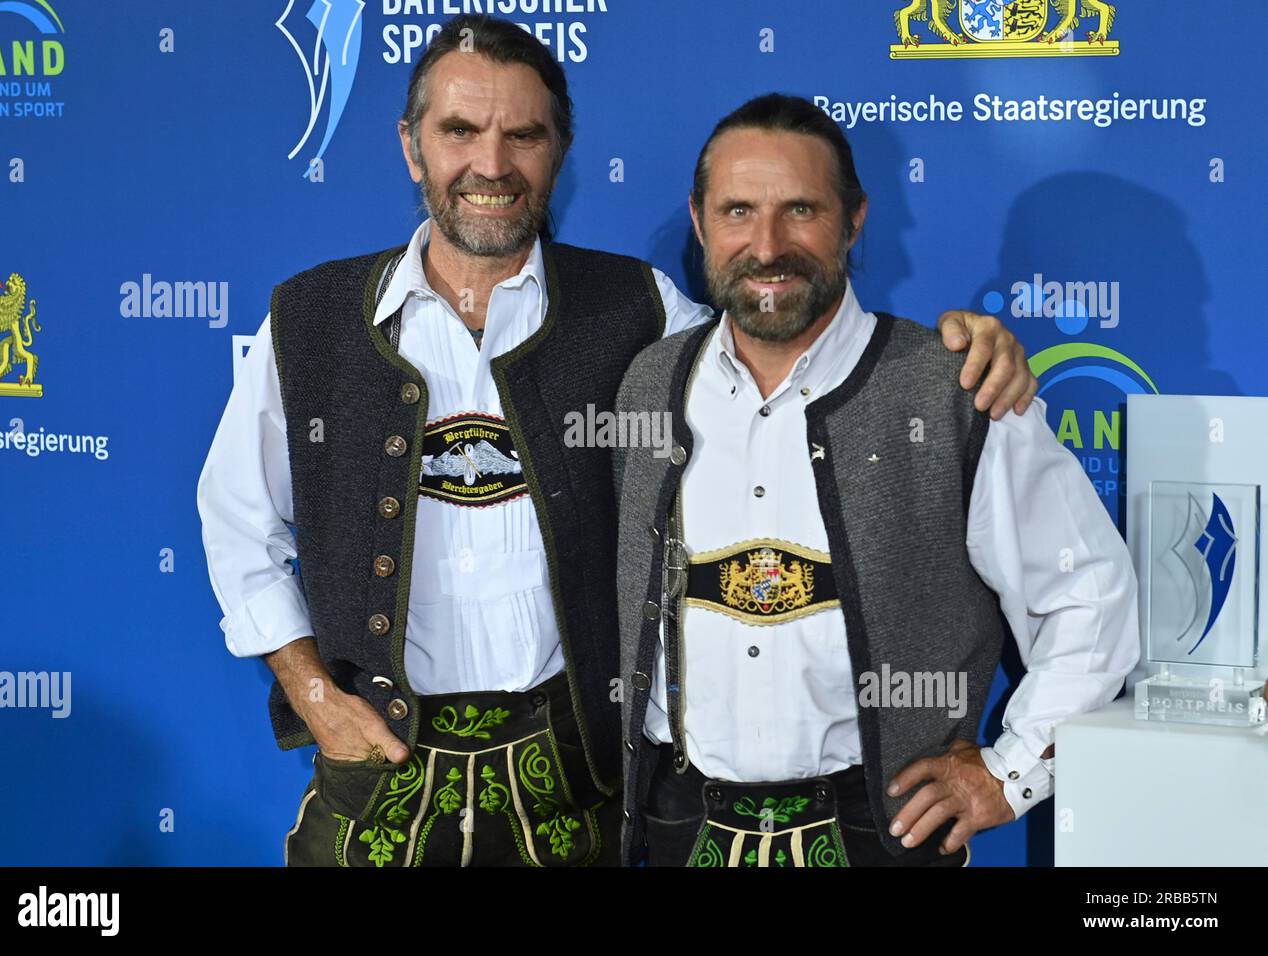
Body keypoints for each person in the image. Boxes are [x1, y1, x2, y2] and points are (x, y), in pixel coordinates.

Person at [196, 16, 1038, 868]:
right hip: (372, 780)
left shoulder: (638, 310)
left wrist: (956, 352)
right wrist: (312, 695)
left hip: (578, 785)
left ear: (558, 154)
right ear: (412, 147)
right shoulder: (310, 317)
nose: (491, 165)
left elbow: (782, 348)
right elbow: (236, 520)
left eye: (523, 135)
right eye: (460, 131)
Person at [612, 93, 1140, 868]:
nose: (766, 245)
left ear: (854, 219)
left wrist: (1011, 773)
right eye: (737, 212)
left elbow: (1091, 596)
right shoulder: (647, 386)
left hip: (880, 835)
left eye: (800, 210)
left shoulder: (959, 390)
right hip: (677, 828)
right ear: (699, 223)